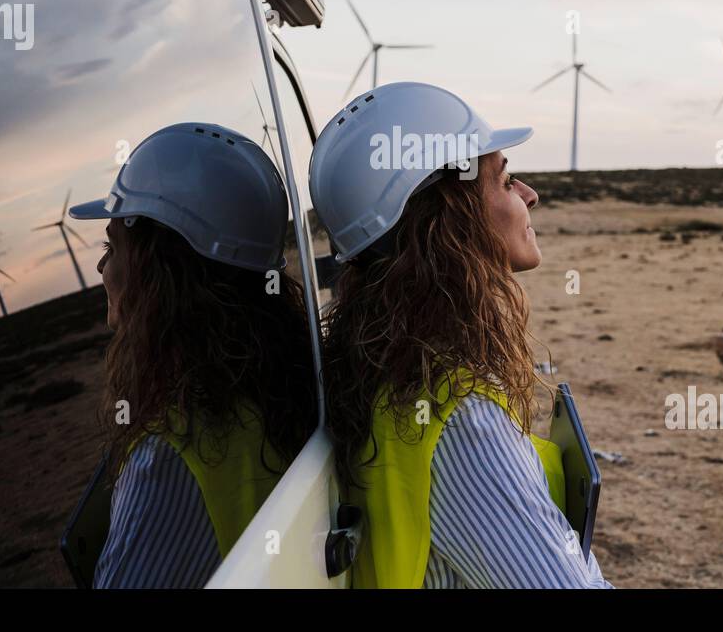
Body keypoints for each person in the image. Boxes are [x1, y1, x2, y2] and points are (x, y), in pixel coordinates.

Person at [311, 82, 612, 588]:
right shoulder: (460, 414)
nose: (529, 195)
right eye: (505, 180)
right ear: (447, 218)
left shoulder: (382, 369)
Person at [68, 122, 315, 588]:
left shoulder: (172, 453)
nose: (102, 266)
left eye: (111, 246)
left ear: (158, 271)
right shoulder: (293, 378)